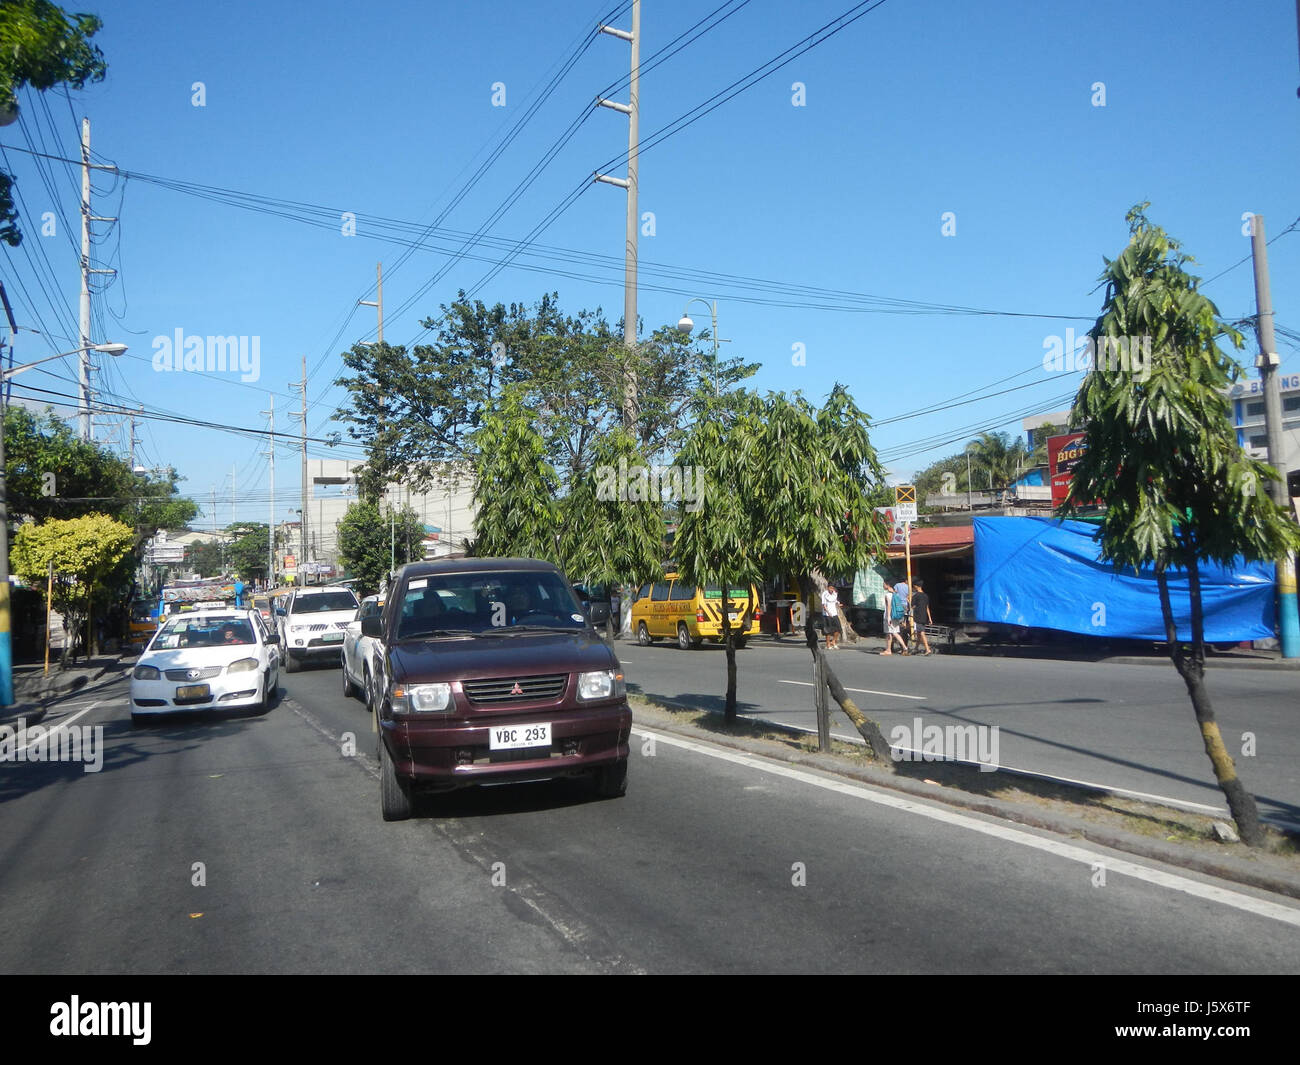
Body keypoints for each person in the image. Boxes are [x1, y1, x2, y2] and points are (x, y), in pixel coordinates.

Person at [881, 581, 909, 655]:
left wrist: (888, 617)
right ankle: (889, 649)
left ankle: (904, 647)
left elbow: (889, 606)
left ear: (887, 585)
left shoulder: (888, 595)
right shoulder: (895, 594)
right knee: (892, 633)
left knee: (892, 633)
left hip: (890, 616)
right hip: (896, 615)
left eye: (884, 584)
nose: (883, 586)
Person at [911, 579, 934, 655]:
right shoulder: (925, 595)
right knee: (918, 633)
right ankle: (916, 648)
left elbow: (912, 606)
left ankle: (927, 649)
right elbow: (927, 607)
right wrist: (930, 618)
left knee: (921, 633)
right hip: (924, 616)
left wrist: (908, 600)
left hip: (918, 616)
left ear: (916, 586)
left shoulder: (916, 596)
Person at [819, 582, 841, 651]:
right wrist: (828, 612)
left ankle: (833, 641)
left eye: (833, 588)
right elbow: (824, 605)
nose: (832, 589)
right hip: (827, 615)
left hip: (834, 614)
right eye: (830, 588)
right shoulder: (825, 594)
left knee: (838, 628)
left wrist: (838, 603)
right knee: (828, 631)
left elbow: (835, 601)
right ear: (828, 587)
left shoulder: (835, 593)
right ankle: (828, 644)